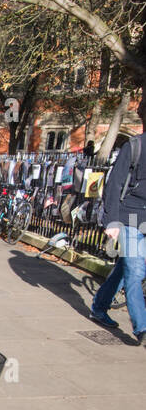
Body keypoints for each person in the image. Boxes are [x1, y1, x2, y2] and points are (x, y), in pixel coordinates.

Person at [90, 127, 146, 342]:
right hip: (130, 217)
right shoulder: (134, 146)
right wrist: (112, 220)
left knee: (125, 267)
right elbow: (114, 184)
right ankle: (142, 327)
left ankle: (99, 307)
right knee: (136, 271)